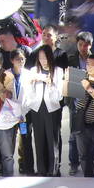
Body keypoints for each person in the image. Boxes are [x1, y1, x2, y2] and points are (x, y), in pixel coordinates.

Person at [23, 44, 65, 176]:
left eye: (45, 58)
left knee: (52, 139)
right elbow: (27, 90)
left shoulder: (58, 70)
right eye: (40, 58)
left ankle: (53, 169)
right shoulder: (34, 70)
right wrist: (33, 81)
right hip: (36, 107)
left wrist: (50, 83)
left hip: (52, 108)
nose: (43, 61)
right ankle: (41, 169)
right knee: (39, 139)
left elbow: (59, 95)